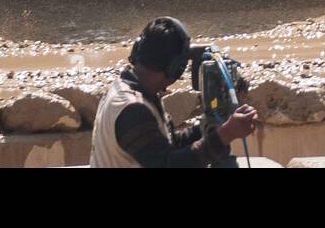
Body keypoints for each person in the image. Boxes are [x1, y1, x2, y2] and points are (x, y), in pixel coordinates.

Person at [90, 16, 257, 168]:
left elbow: (168, 145)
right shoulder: (133, 109)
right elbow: (169, 164)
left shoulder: (133, 90)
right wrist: (225, 134)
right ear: (175, 68)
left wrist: (213, 124)